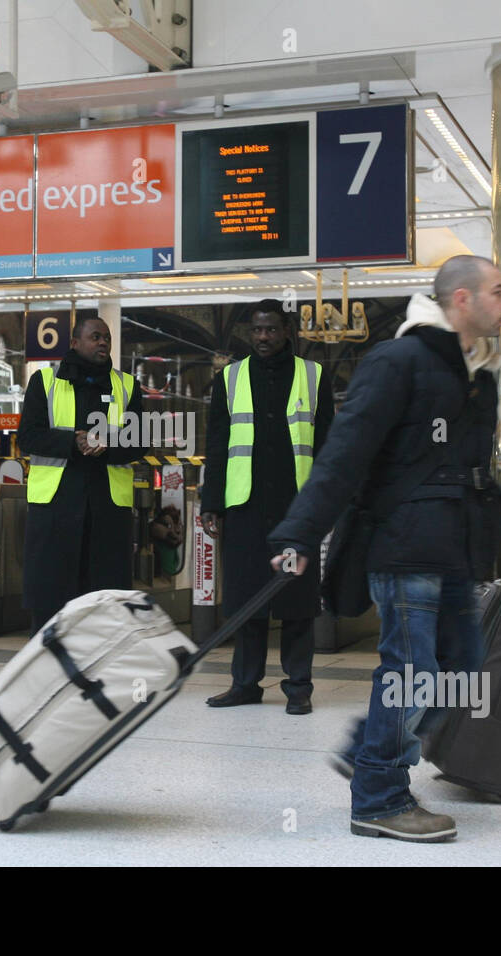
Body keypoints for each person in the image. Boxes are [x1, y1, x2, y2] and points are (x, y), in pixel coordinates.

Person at [269, 256, 501, 842]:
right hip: (404, 542)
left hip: (451, 548)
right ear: (461, 299)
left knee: (459, 670)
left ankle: (367, 747)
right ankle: (378, 797)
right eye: (499, 292)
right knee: (411, 671)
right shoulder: (398, 361)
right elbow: (345, 453)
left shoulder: (477, 372)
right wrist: (299, 532)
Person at [200, 300, 333, 714]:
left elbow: (328, 444)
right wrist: (211, 503)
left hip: (296, 509)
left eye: (271, 330)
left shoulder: (313, 376)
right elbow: (218, 445)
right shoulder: (229, 378)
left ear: (287, 330)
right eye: (257, 330)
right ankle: (245, 684)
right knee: (246, 600)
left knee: (297, 600)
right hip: (245, 505)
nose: (263, 337)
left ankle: (299, 688)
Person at [18, 317, 144, 635]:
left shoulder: (127, 385)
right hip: (55, 506)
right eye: (95, 337)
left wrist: (108, 446)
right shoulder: (44, 382)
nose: (103, 343)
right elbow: (28, 437)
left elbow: (141, 441)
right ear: (75, 343)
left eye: (107, 338)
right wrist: (72, 441)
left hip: (107, 508)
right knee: (51, 593)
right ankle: (46, 662)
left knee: (105, 596)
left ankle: (99, 668)